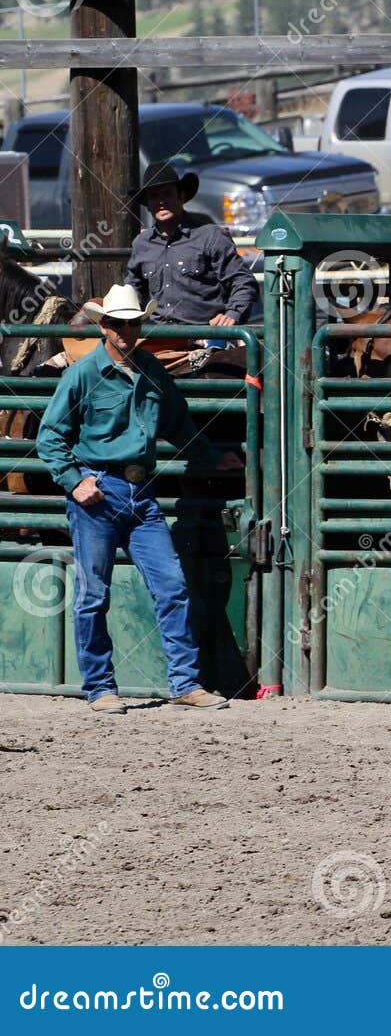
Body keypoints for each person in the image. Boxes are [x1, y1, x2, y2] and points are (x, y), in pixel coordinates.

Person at [36, 285, 244, 714]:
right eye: (118, 323)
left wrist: (210, 456)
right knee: (94, 594)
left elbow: (177, 423)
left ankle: (184, 683)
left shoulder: (152, 370)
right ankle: (99, 687)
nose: (127, 330)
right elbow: (51, 436)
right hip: (98, 492)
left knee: (172, 587)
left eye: (133, 322)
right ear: (104, 327)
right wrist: (74, 480)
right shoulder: (82, 374)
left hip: (141, 492)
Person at [124, 161, 259, 327]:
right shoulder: (141, 244)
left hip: (206, 335)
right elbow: (133, 292)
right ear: (148, 204)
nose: (161, 201)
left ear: (181, 197)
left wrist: (232, 315)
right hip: (159, 338)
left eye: (167, 194)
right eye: (154, 196)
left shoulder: (210, 236)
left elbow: (243, 282)